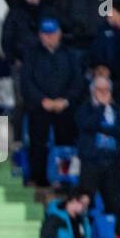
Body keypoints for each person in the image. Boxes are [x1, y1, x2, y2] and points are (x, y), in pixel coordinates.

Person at [22, 18, 83, 189]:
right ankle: (39, 180)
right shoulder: (32, 55)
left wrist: (65, 100)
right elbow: (26, 82)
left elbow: (77, 82)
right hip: (40, 107)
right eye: (45, 34)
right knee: (38, 143)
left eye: (52, 34)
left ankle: (64, 180)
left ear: (59, 34)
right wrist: (42, 100)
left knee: (65, 143)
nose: (49, 37)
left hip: (64, 108)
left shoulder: (70, 55)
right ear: (40, 35)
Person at [75, 75, 120, 216]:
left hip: (112, 163)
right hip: (91, 163)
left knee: (113, 203)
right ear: (92, 91)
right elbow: (87, 124)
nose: (104, 93)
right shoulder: (84, 107)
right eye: (99, 89)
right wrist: (100, 108)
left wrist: (102, 128)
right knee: (87, 202)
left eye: (106, 90)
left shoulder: (117, 109)